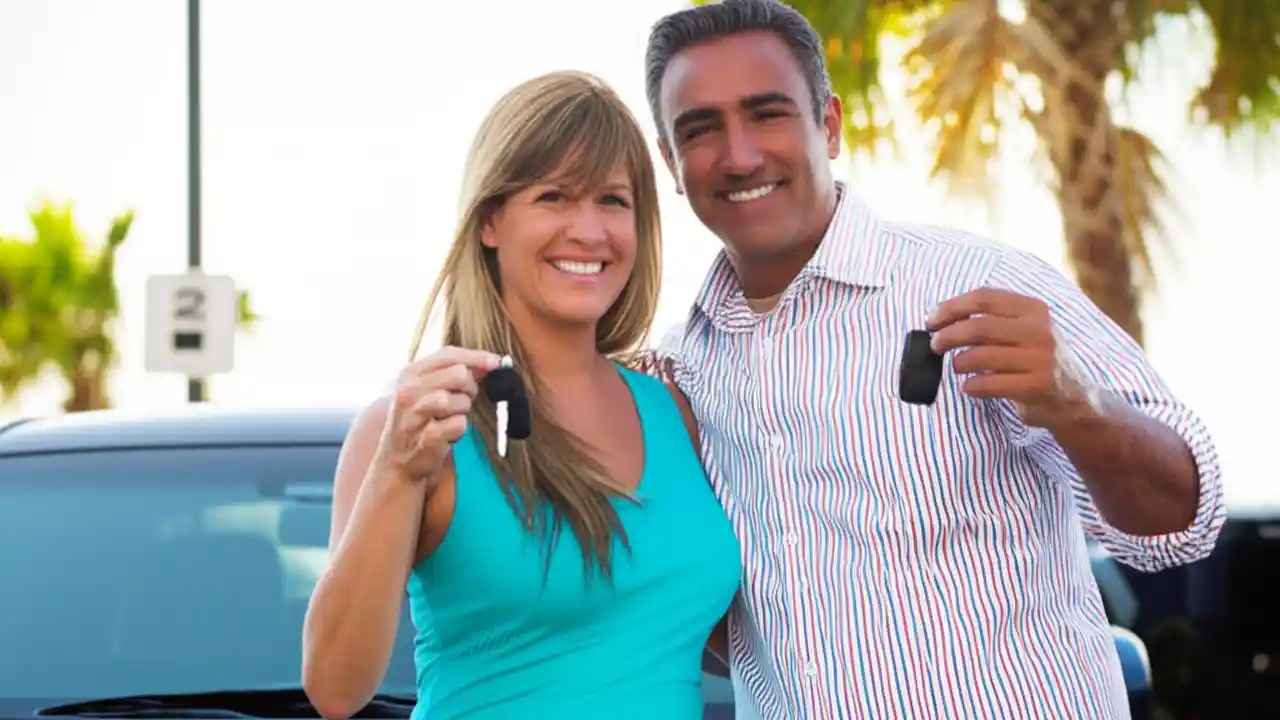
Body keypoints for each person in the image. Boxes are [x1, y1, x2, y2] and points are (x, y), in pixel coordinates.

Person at [640, 1, 1226, 717]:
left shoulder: (980, 284)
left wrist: (1079, 404)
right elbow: (734, 628)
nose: (738, 155)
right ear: (670, 161)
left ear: (829, 125)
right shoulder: (679, 371)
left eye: (768, 114)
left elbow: (1182, 526)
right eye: (700, 130)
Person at [301, 70, 742, 720]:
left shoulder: (673, 411)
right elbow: (336, 690)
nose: (589, 230)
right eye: (554, 196)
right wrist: (397, 470)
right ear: (489, 221)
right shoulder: (419, 427)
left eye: (613, 201)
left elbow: (728, 637)